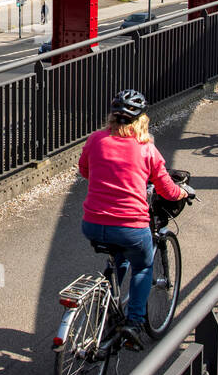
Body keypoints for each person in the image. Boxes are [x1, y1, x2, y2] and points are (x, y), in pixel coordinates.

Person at [78, 90, 192, 351]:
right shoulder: (146, 150)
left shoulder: (96, 140)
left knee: (119, 256)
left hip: (92, 224)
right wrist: (183, 192)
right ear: (141, 121)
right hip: (130, 226)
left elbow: (85, 170)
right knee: (142, 266)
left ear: (112, 117)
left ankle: (108, 301)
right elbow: (166, 190)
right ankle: (133, 324)